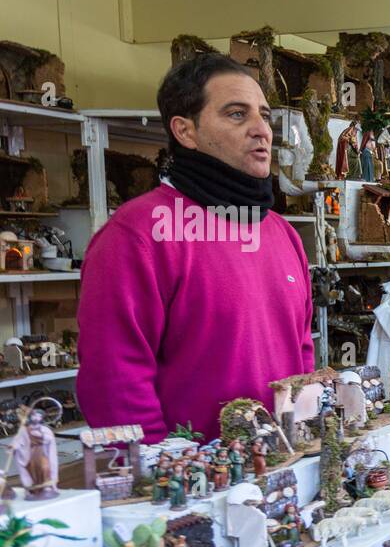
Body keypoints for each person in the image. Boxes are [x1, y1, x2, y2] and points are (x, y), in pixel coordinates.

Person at [76, 54, 315, 443]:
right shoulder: (137, 235)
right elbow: (114, 377)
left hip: (284, 464)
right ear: (185, 132)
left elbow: (301, 352)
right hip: (197, 483)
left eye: (264, 115)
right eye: (237, 114)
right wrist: (158, 474)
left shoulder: (282, 234)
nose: (261, 130)